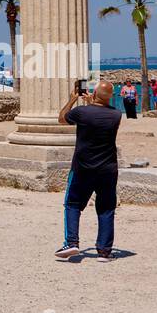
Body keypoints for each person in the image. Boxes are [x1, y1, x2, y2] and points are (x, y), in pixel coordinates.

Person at [55, 79, 122, 262]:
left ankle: (72, 242)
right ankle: (104, 252)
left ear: (93, 94)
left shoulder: (81, 112)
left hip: (82, 168)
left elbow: (62, 118)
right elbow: (99, 112)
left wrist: (72, 100)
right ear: (111, 97)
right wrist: (93, 102)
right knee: (106, 208)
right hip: (108, 169)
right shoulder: (116, 115)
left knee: (73, 204)